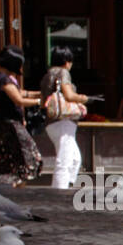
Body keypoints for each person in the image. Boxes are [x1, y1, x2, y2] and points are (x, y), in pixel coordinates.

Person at [40, 47, 91, 189]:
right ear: (67, 61)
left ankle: (66, 185)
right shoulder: (63, 73)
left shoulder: (47, 76)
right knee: (65, 160)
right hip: (63, 121)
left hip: (52, 122)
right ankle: (59, 192)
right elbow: (68, 95)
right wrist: (83, 98)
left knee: (75, 159)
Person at [0, 45, 41, 186]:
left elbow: (21, 92)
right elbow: (18, 99)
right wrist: (39, 101)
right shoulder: (2, 79)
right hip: (7, 122)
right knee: (24, 152)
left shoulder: (7, 78)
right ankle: (14, 181)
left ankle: (16, 183)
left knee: (16, 154)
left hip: (11, 121)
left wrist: (38, 93)